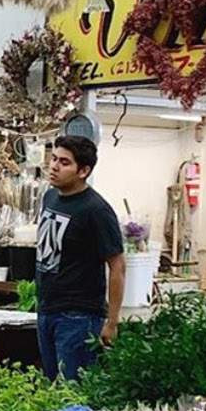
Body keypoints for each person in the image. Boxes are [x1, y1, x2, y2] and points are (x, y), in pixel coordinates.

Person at [35, 135, 126, 382]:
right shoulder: (50, 197)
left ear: (83, 171)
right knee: (51, 386)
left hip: (78, 315)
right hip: (46, 309)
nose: (54, 166)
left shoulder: (96, 210)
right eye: (53, 159)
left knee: (72, 391)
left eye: (64, 162)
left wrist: (112, 322)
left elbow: (117, 266)